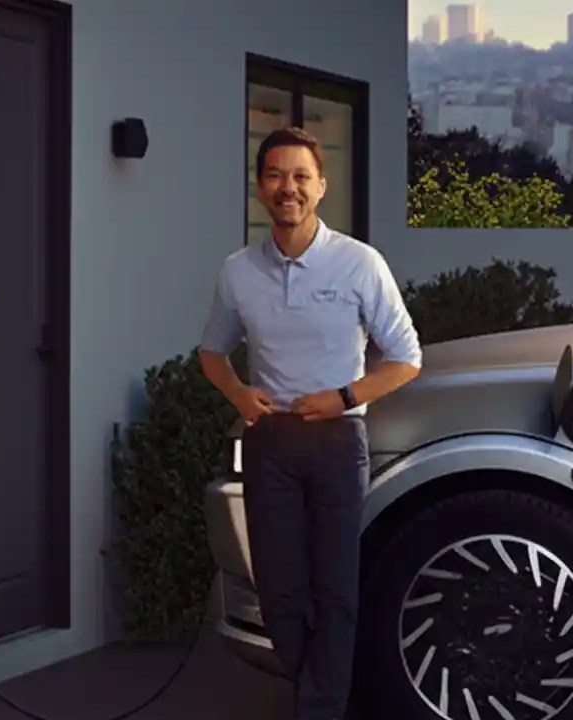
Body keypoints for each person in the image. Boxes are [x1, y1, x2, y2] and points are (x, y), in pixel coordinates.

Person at [198, 127, 422, 720]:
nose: (288, 188)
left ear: (321, 187)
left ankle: (319, 708)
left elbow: (407, 358)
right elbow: (212, 354)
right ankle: (321, 693)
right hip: (269, 444)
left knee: (335, 590)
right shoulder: (238, 271)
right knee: (280, 593)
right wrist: (240, 395)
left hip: (337, 442)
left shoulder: (359, 263)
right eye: (275, 176)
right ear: (260, 187)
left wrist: (344, 397)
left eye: (301, 176)